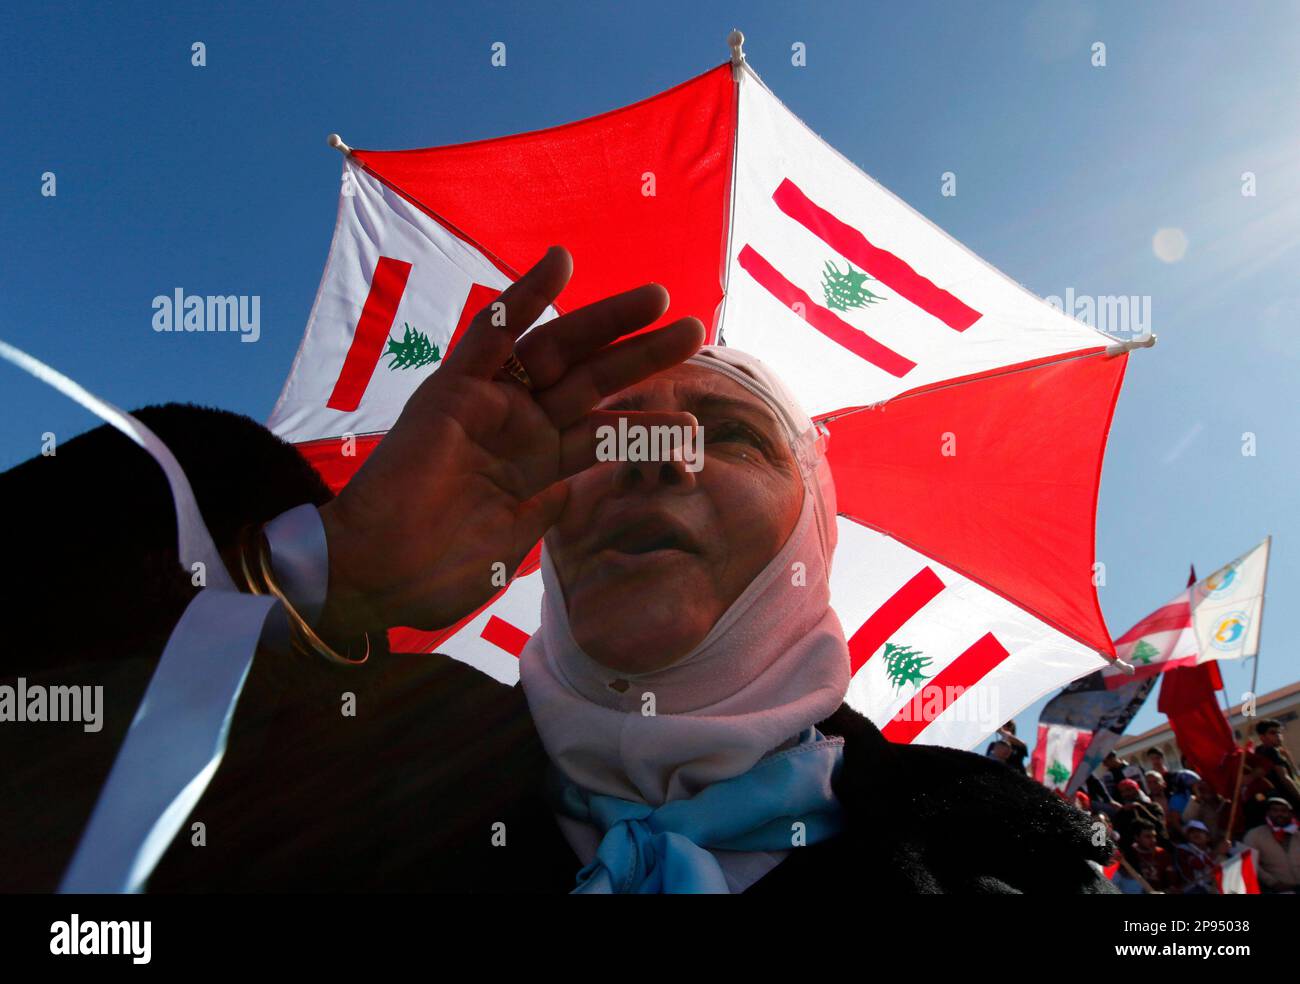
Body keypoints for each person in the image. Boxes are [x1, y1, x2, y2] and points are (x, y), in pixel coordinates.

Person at [1, 248, 1116, 894]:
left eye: (731, 438)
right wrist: (330, 572)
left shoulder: (981, 836)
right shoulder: (360, 761)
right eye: (603, 434)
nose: (655, 462)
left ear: (808, 535)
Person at [1243, 797, 1300, 893]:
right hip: (1276, 890)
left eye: (1284, 810)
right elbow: (1249, 862)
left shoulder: (1297, 834)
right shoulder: (1254, 835)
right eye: (1275, 810)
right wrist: (1272, 882)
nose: (1279, 814)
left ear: (1290, 813)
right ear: (1268, 813)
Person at [1254, 719, 1300, 811]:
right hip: (1288, 800)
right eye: (1273, 733)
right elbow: (1285, 778)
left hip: (1274, 803)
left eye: (1279, 732)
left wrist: (1288, 759)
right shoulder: (1272, 751)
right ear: (1262, 737)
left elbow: (1295, 774)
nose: (1278, 736)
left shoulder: (1259, 751)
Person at [1174, 820, 1225, 894]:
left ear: (1208, 838)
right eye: (1191, 831)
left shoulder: (1211, 851)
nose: (1195, 833)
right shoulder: (1182, 849)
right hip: (1191, 888)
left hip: (1211, 889)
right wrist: (1216, 852)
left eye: (1199, 831)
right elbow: (1197, 864)